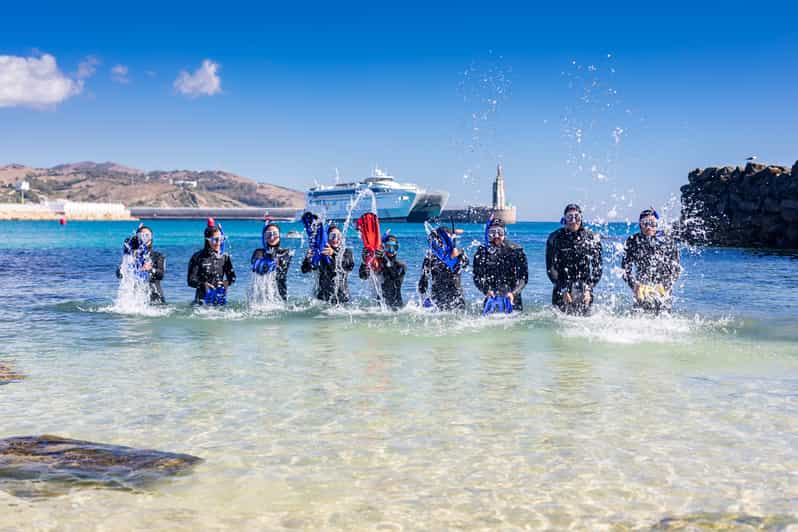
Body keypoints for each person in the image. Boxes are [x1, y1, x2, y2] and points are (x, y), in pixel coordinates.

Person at [545, 204, 603, 315]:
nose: (573, 220)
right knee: (559, 324)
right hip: (561, 286)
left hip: (584, 288)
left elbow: (598, 268)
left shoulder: (591, 238)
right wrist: (563, 289)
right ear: (564, 219)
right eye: (569, 217)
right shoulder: (555, 238)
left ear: (581, 218)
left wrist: (589, 288)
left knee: (584, 325)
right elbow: (550, 268)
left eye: (576, 217)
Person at [622, 208, 681, 313]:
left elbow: (676, 268)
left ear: (657, 224)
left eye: (652, 224)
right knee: (638, 320)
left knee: (663, 319)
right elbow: (625, 270)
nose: (649, 227)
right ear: (640, 225)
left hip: (663, 288)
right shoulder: (633, 241)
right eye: (645, 223)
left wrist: (666, 285)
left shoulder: (667, 240)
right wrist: (634, 285)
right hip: (642, 287)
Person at [473, 218, 529, 312]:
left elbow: (523, 278)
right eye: (492, 232)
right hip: (491, 296)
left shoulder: (515, 250)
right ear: (488, 233)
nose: (496, 236)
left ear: (505, 232)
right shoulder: (482, 252)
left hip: (511, 297)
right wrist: (486, 290)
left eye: (500, 232)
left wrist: (513, 293)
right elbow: (477, 276)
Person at [301, 224, 354, 304]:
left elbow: (348, 264)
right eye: (332, 236)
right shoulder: (320, 253)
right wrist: (308, 259)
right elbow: (305, 270)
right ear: (326, 238)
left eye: (339, 236)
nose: (335, 239)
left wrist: (333, 254)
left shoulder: (346, 252)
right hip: (322, 298)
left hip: (342, 298)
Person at [418, 227, 469, 310]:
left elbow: (465, 265)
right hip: (437, 295)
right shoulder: (430, 256)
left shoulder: (458, 252)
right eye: (439, 240)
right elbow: (423, 280)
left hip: (456, 294)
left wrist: (459, 256)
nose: (441, 243)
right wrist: (423, 299)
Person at [187, 223, 236, 305]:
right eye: (215, 240)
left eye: (221, 239)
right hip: (201, 303)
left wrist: (226, 282)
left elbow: (232, 277)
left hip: (220, 301)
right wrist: (203, 285)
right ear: (208, 239)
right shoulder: (198, 257)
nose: (218, 243)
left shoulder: (224, 257)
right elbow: (190, 281)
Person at [116, 225, 166, 304]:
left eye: (147, 235)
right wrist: (127, 267)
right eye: (142, 235)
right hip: (135, 297)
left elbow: (161, 275)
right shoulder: (130, 257)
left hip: (155, 297)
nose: (145, 237)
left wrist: (150, 269)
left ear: (151, 238)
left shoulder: (158, 256)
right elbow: (119, 274)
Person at [359, 233, 406, 310]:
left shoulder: (401, 266)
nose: (391, 250)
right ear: (384, 247)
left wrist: (384, 258)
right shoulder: (378, 264)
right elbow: (363, 276)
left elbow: (395, 278)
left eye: (393, 247)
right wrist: (365, 261)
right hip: (379, 306)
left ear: (397, 248)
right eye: (388, 247)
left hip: (396, 306)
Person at [250, 222, 293, 301]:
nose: (272, 237)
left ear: (279, 236)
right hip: (261, 297)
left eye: (275, 234)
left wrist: (275, 259)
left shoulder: (286, 252)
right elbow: (255, 265)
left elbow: (283, 262)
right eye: (268, 234)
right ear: (264, 237)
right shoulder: (258, 252)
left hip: (280, 296)